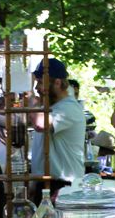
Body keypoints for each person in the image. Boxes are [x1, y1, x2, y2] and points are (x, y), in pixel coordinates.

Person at [30, 58, 85, 199]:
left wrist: (29, 97)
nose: (36, 88)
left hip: (62, 186)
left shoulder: (69, 107)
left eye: (40, 82)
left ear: (57, 83)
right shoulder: (51, 106)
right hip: (47, 183)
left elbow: (40, 124)